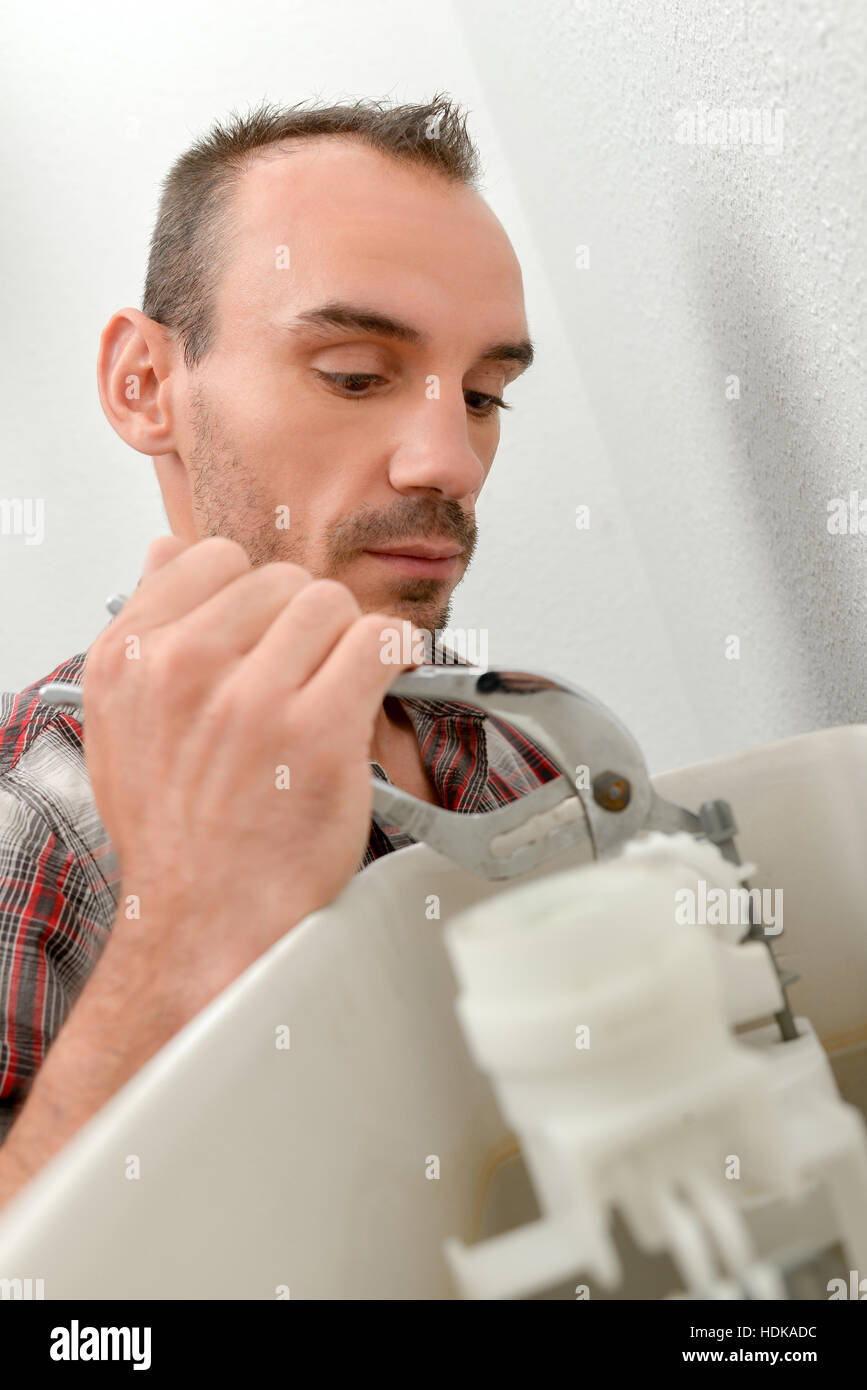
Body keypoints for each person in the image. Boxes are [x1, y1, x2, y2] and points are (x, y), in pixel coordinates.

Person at [0, 95, 561, 1210]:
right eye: (356, 373)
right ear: (146, 385)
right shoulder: (38, 810)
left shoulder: (523, 751)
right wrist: (183, 937)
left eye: (487, 395)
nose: (450, 460)